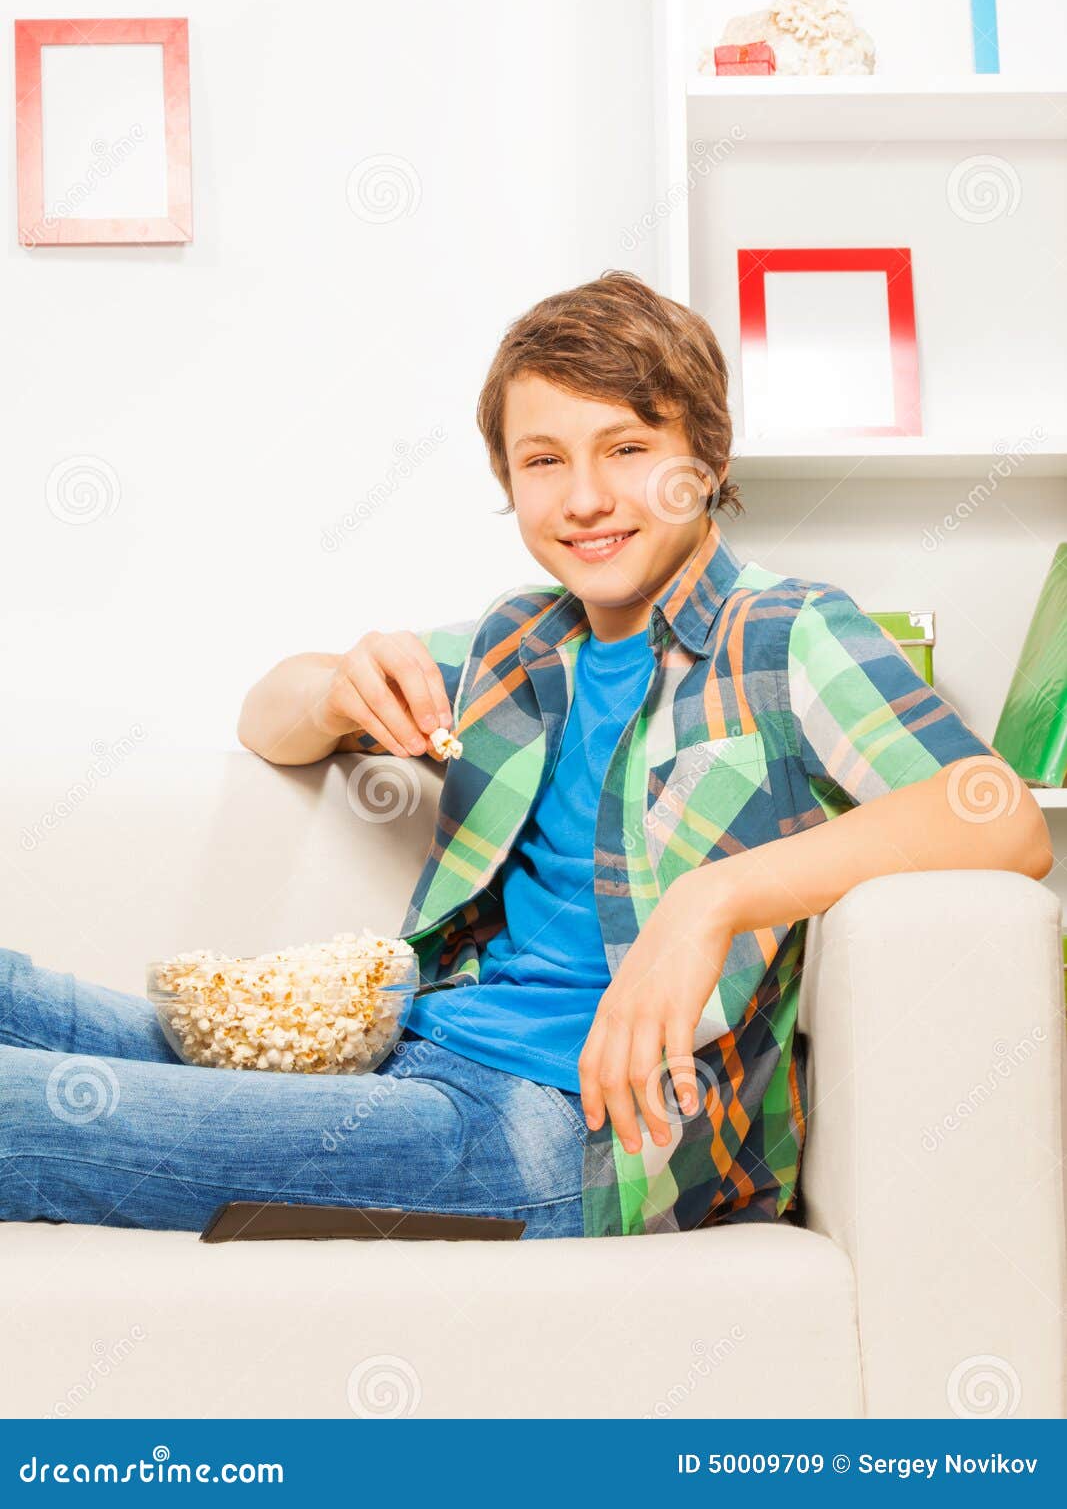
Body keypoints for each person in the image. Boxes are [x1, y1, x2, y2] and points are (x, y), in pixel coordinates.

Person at [1, 272, 1052, 1240]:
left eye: (628, 450)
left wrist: (709, 901)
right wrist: (332, 683)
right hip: (417, 1050)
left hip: (559, 1130)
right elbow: (263, 718)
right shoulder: (520, 641)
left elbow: (994, 813)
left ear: (707, 461)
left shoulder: (783, 635)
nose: (584, 498)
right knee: (20, 1000)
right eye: (543, 459)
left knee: (22, 1115)